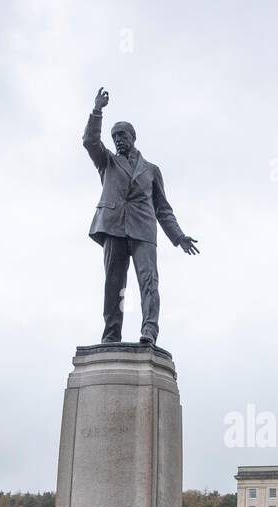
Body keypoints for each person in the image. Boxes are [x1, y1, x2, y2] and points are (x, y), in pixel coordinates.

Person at [83, 87, 198, 345]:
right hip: (113, 227)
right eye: (114, 137)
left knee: (149, 282)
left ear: (134, 137)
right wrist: (97, 111)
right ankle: (111, 335)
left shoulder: (152, 170)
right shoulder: (108, 162)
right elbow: (90, 142)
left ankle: (149, 331)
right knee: (114, 286)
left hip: (143, 229)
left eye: (122, 135)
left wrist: (178, 237)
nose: (118, 140)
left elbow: (163, 208)